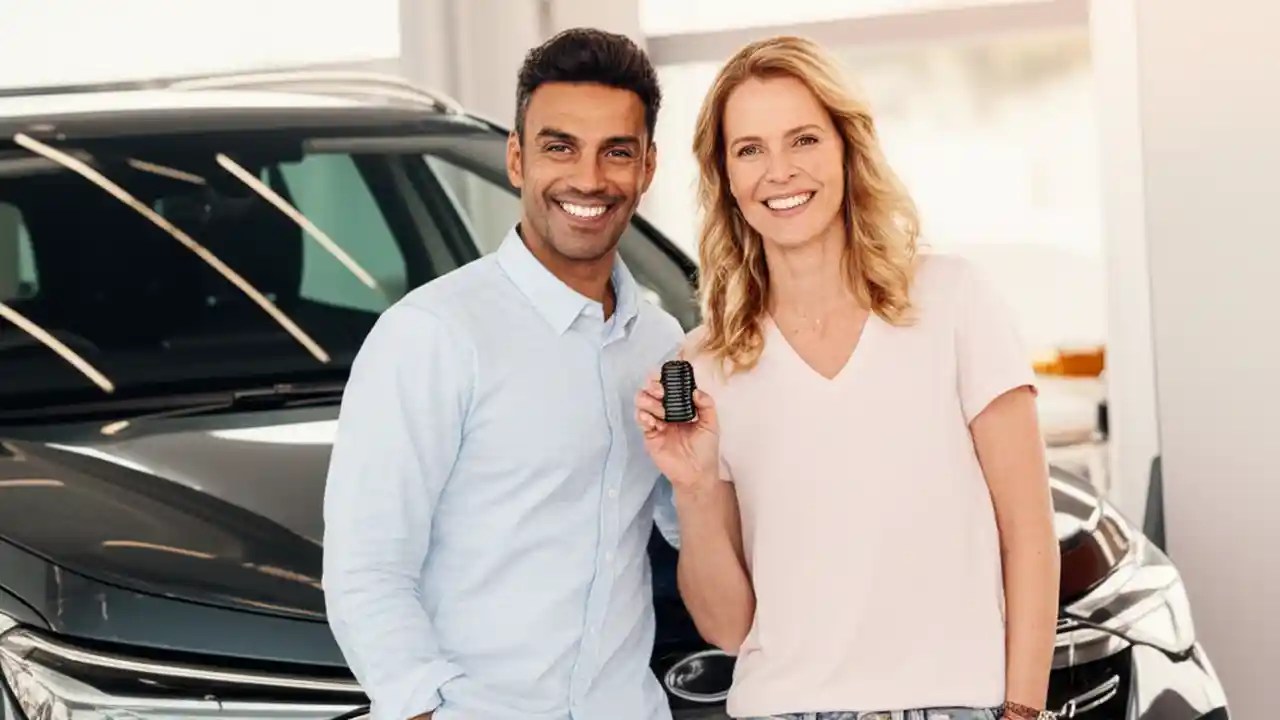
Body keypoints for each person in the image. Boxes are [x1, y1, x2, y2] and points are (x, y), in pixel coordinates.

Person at [634, 35, 1060, 720]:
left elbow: (1030, 536)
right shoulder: (706, 362)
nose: (779, 171)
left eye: (802, 139)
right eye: (750, 149)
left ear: (846, 148)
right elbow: (730, 627)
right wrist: (693, 488)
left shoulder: (954, 302)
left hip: (951, 706)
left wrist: (1021, 708)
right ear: (727, 178)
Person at [323, 28, 684, 720]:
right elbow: (366, 572)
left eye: (617, 152)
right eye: (560, 147)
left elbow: (692, 533)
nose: (588, 178)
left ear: (647, 168)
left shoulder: (664, 347)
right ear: (517, 159)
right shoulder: (432, 336)